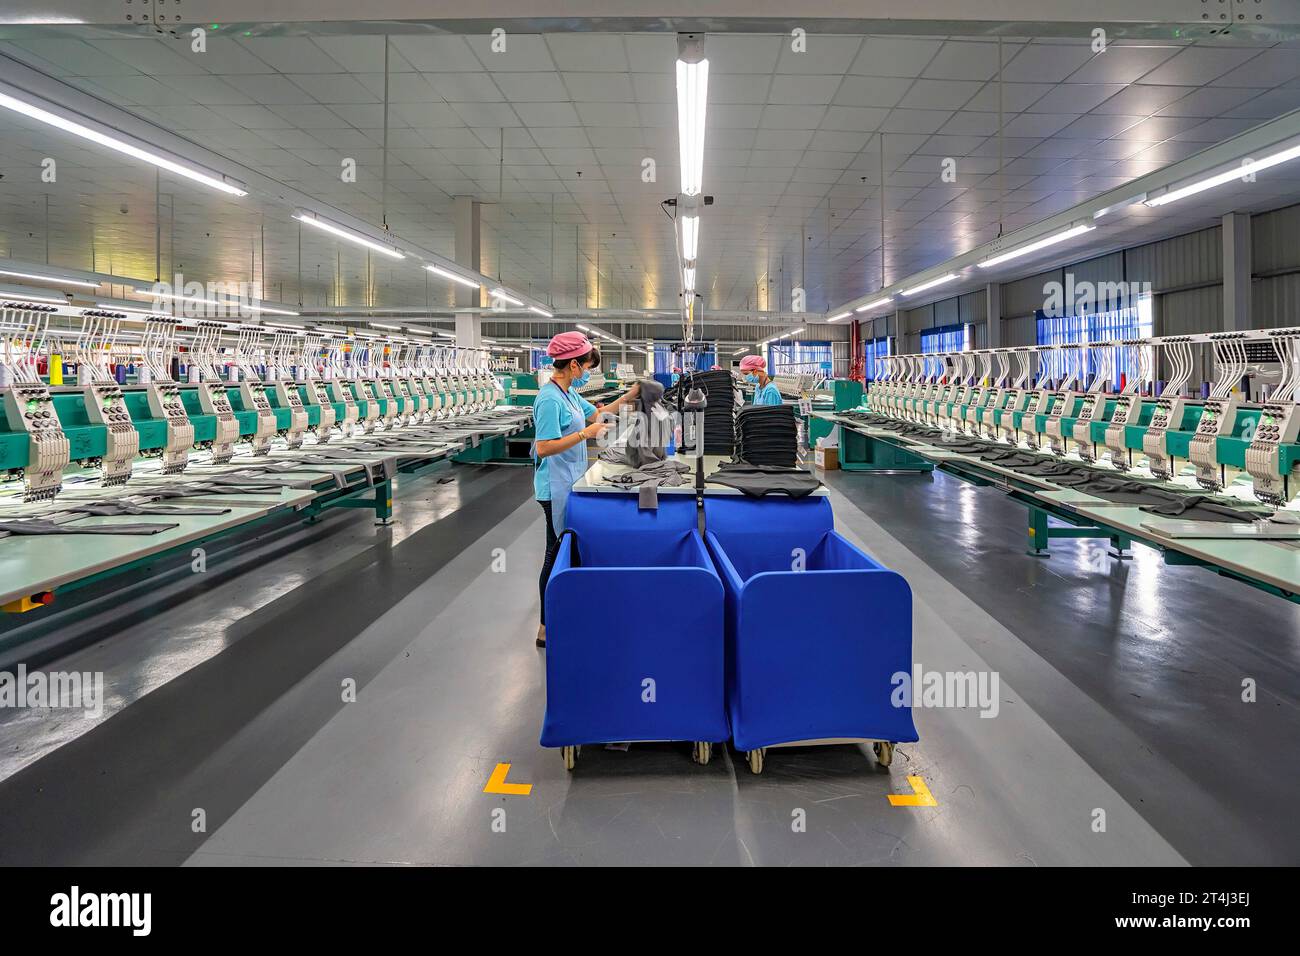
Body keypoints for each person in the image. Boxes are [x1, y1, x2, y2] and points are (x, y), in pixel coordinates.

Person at [533, 332, 640, 647]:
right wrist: (586, 435)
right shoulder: (549, 398)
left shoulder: (567, 394)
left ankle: (566, 612)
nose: (588, 373)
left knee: (567, 550)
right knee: (554, 554)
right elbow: (543, 448)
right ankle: (544, 626)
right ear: (573, 364)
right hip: (553, 486)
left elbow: (601, 414)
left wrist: (634, 394)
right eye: (587, 367)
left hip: (571, 481)